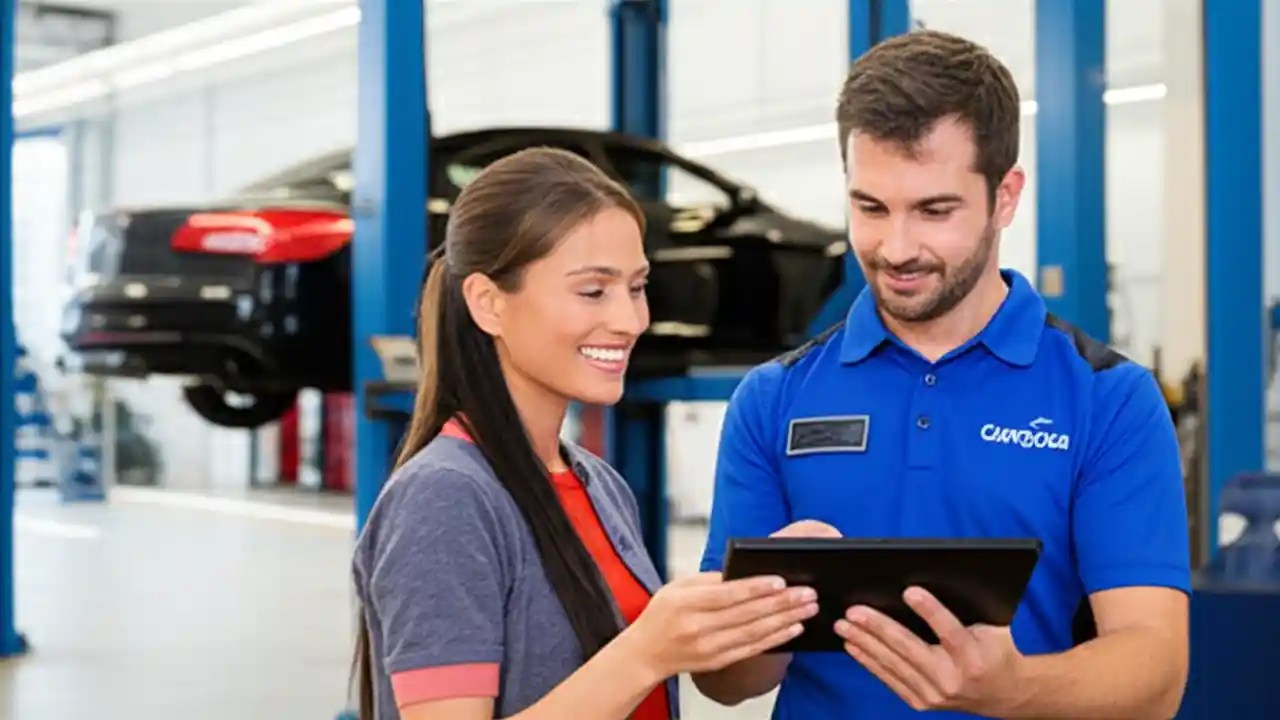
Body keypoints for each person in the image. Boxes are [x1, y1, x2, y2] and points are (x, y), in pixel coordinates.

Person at [691, 29, 1191, 720]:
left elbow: (1156, 671)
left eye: (934, 210)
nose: (896, 247)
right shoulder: (773, 400)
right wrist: (762, 616)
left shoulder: (1108, 401)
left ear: (1005, 197)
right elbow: (723, 683)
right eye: (870, 207)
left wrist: (1014, 690)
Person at [348, 146, 820, 720]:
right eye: (593, 291)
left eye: (638, 287)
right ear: (488, 303)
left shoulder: (600, 486)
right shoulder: (445, 498)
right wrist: (647, 652)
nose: (628, 320)